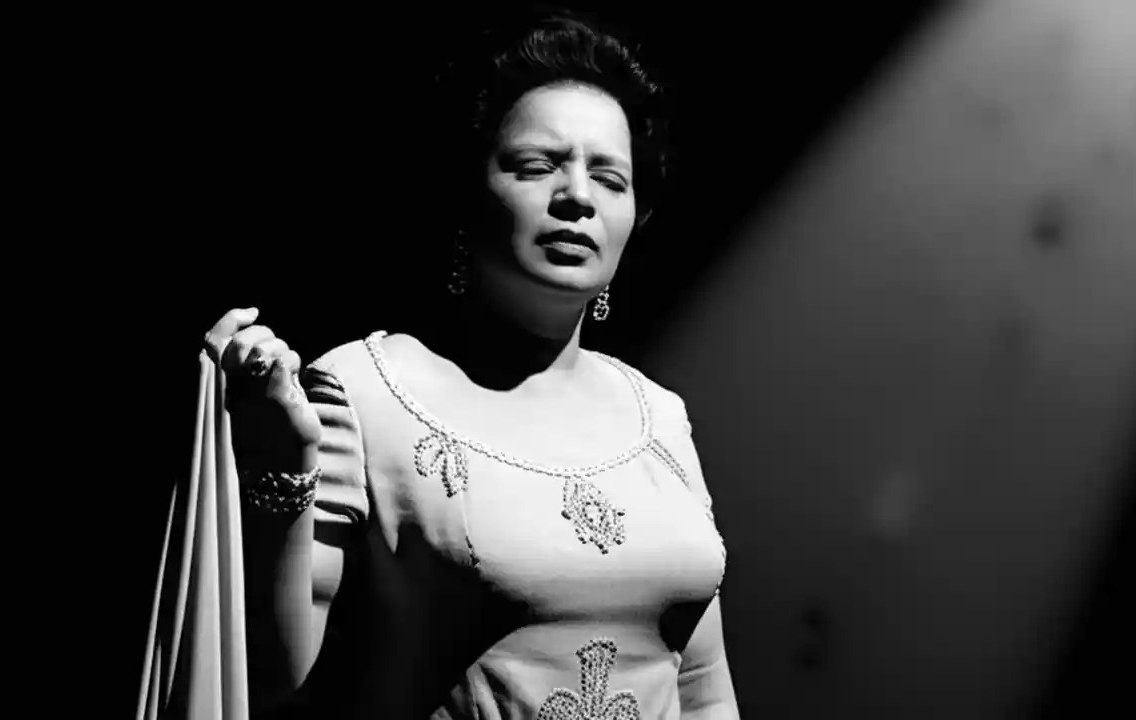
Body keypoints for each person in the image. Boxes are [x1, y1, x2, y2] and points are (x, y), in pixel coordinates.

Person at [202, 9, 738, 719]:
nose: (577, 196)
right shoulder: (368, 390)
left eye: (610, 178)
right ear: (468, 192)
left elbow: (703, 687)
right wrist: (282, 465)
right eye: (538, 165)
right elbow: (274, 680)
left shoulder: (659, 416)